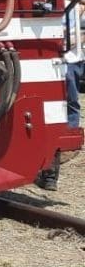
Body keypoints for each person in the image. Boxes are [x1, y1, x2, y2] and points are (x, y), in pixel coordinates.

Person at [35, 49, 82, 191]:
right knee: (56, 111)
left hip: (68, 58)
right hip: (53, 58)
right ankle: (49, 176)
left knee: (59, 111)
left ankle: (50, 175)